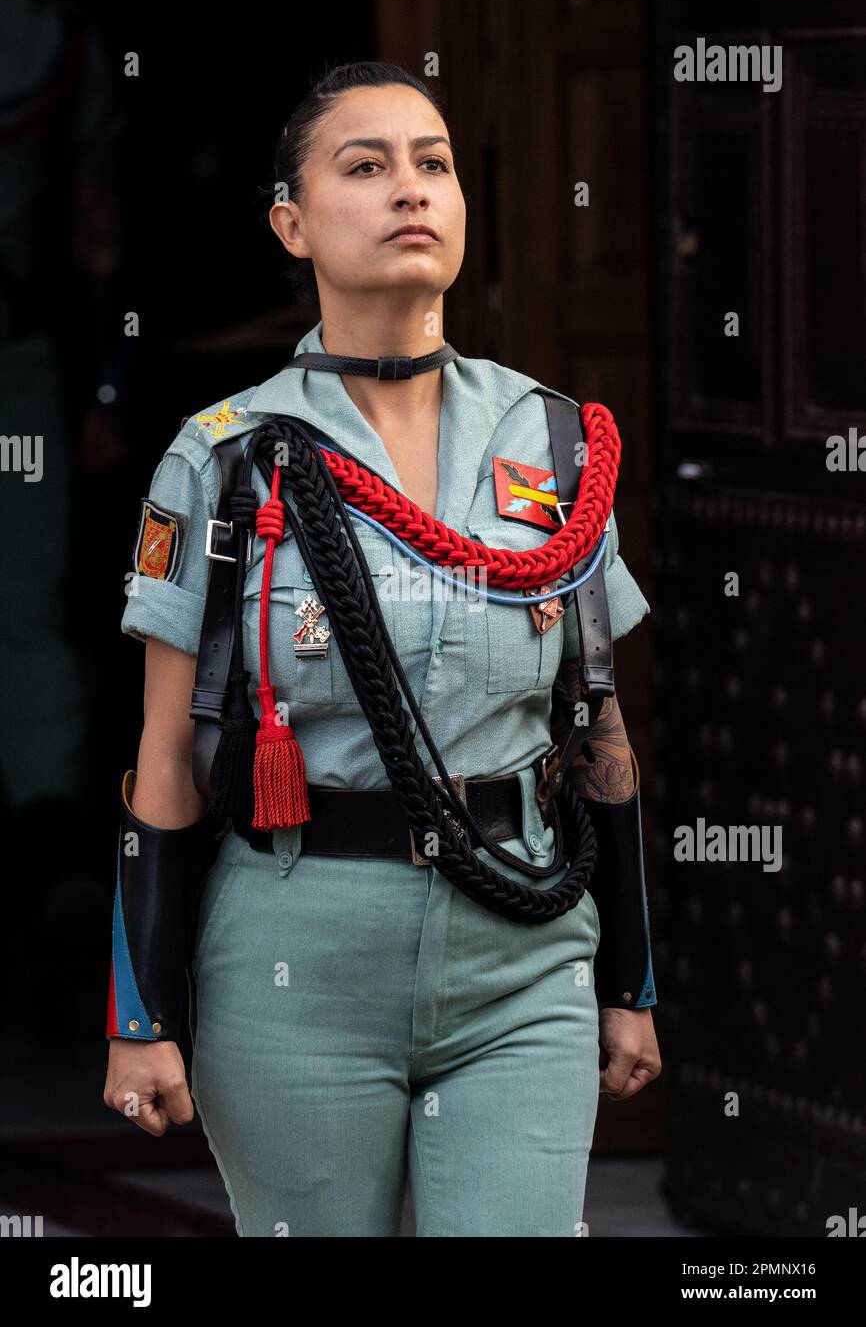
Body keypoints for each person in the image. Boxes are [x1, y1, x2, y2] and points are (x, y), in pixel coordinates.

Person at [103, 60, 661, 1237]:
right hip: (295, 957)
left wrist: (629, 986)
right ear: (290, 223)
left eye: (434, 163)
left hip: (522, 950)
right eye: (365, 167)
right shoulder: (226, 457)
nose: (410, 187)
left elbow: (598, 730)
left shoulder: (555, 443)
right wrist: (139, 1016)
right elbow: (162, 760)